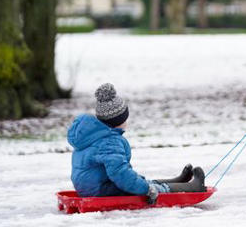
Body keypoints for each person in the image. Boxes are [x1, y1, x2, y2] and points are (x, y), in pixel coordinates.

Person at [67, 83, 206, 202]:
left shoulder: (94, 136)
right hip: (103, 190)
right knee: (151, 188)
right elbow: (120, 174)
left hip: (91, 187)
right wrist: (146, 189)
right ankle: (195, 187)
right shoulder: (109, 142)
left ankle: (179, 180)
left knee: (142, 182)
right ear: (118, 121)